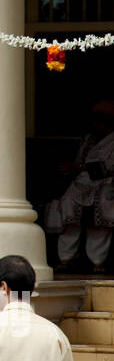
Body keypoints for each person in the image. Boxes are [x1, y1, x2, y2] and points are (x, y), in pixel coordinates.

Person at [46, 100, 114, 272]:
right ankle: (66, 259)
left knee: (103, 207)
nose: (96, 123)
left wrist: (80, 167)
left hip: (107, 183)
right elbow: (78, 162)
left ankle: (98, 261)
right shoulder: (88, 140)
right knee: (68, 203)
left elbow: (109, 167)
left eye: (101, 118)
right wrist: (71, 169)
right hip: (82, 182)